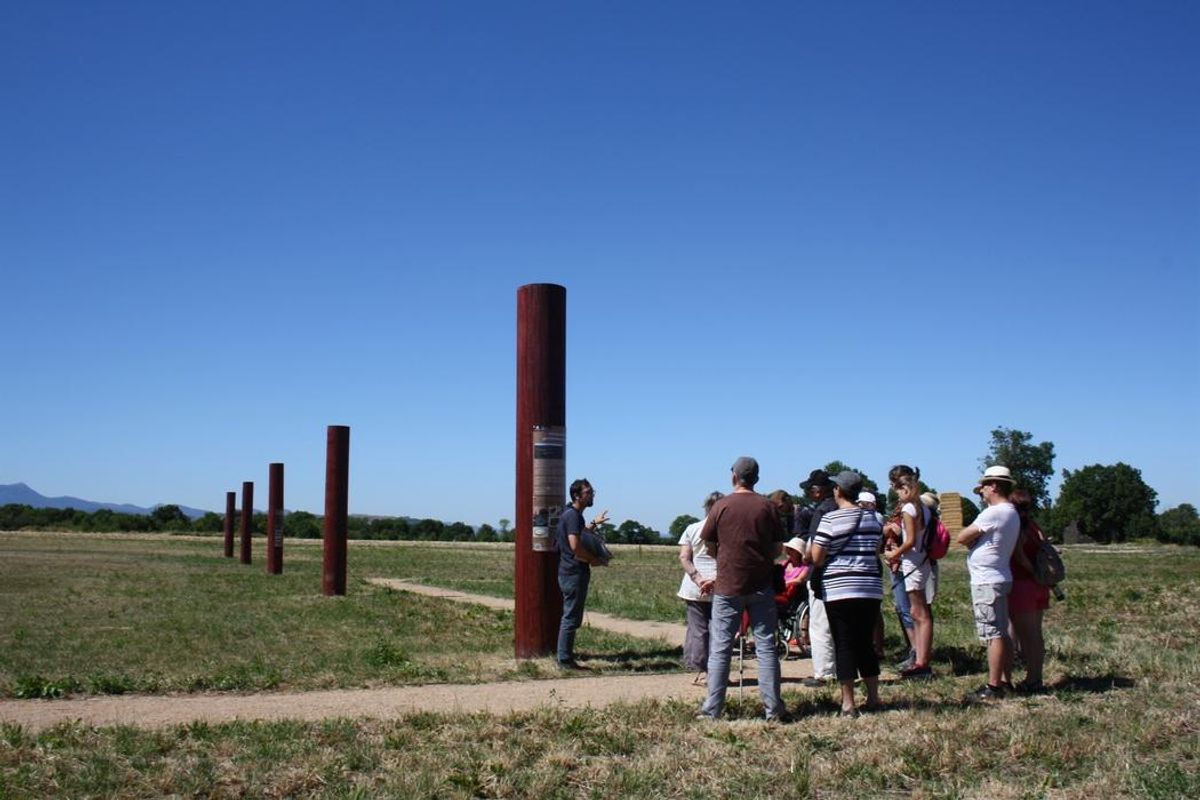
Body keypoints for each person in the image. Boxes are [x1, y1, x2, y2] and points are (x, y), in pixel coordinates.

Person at [697, 457, 787, 721]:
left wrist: (725, 559)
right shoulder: (768, 507)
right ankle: (773, 709)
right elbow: (777, 548)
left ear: (733, 476)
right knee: (766, 647)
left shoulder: (721, 505)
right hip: (761, 585)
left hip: (728, 586)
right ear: (756, 478)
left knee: (721, 647)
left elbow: (710, 546)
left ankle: (712, 709)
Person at [810, 471, 885, 716]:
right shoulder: (875, 519)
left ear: (838, 491)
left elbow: (817, 557)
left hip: (839, 588)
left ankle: (848, 703)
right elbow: (876, 550)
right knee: (865, 642)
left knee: (844, 643)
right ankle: (873, 698)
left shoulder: (830, 520)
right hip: (869, 588)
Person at [956, 465, 1020, 701]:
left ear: (993, 486)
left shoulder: (992, 513)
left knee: (993, 634)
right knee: (1002, 633)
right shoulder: (1011, 512)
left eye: (983, 487)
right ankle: (1005, 681)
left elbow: (963, 536)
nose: (981, 492)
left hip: (987, 581)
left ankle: (993, 687)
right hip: (1001, 576)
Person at [884, 475, 936, 680]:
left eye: (897, 489)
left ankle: (922, 662)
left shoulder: (908, 509)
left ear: (904, 489)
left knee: (920, 614)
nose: (896, 494)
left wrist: (893, 554)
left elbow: (911, 540)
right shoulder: (924, 508)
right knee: (919, 612)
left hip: (912, 562)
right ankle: (921, 660)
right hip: (923, 561)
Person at [555, 478, 610, 670]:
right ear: (577, 495)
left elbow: (578, 535)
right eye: (588, 492)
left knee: (571, 615)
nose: (592, 495)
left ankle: (564, 656)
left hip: (569, 571)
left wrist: (594, 524)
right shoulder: (573, 516)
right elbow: (576, 546)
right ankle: (564, 660)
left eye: (592, 491)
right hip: (573, 572)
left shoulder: (571, 514)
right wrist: (594, 559)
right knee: (571, 617)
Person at [678, 491, 724, 684]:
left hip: (694, 586)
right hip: (720, 584)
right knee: (719, 631)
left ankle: (702, 670)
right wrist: (711, 580)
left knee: (698, 630)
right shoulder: (726, 531)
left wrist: (697, 578)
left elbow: (684, 558)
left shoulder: (692, 528)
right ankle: (717, 672)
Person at [1008, 489, 1049, 692]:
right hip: (1040, 585)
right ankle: (1036, 677)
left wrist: (1031, 572)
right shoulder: (1035, 527)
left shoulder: (1018, 529)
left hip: (1023, 583)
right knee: (1036, 634)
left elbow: (1019, 557)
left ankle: (1033, 681)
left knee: (1028, 636)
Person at [800, 468, 838, 686]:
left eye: (810, 489)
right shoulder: (841, 507)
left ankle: (824, 672)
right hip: (842, 575)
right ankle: (845, 668)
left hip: (821, 574)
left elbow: (815, 546)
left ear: (817, 491)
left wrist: (808, 558)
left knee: (819, 624)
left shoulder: (822, 511)